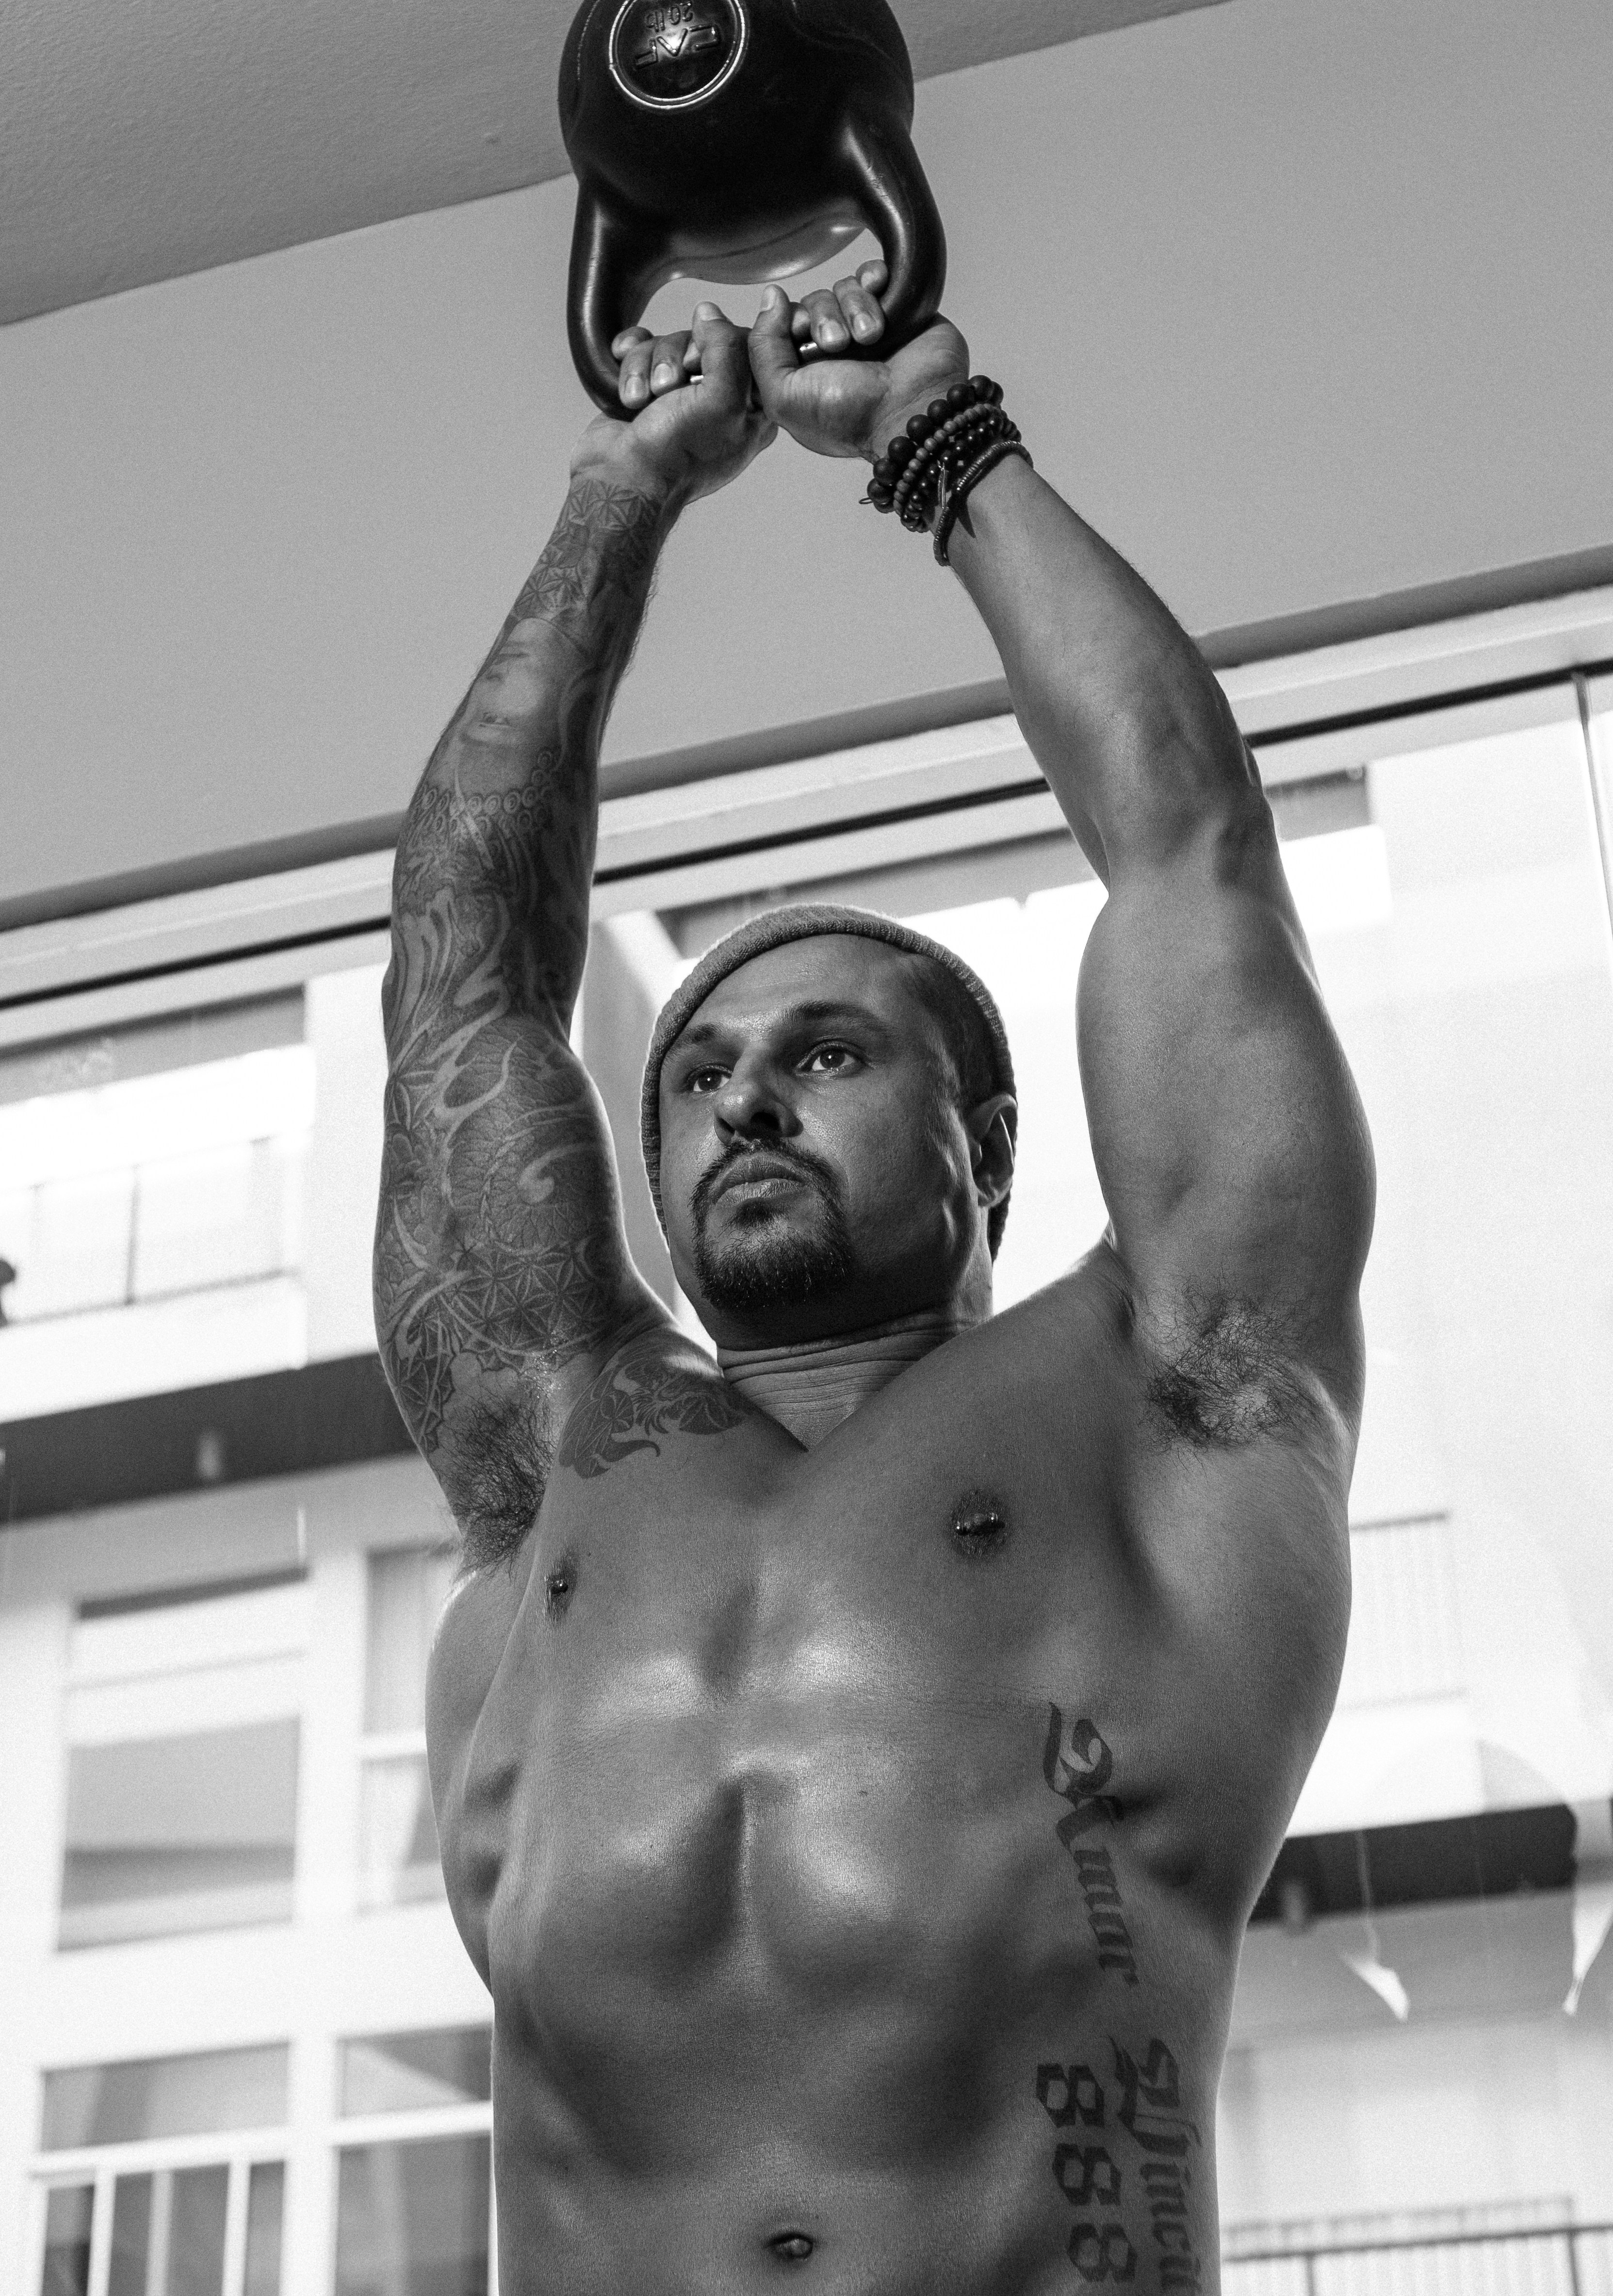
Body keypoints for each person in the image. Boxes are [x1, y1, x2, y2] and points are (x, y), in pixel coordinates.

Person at [375, 266, 1375, 2294]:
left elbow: (1188, 851)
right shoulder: (560, 1467)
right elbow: (462, 987)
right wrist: (617, 498)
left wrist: (942, 444)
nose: (743, 1100)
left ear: (985, 1141)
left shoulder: (1168, 1412)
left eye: (826, 1052)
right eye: (699, 1077)